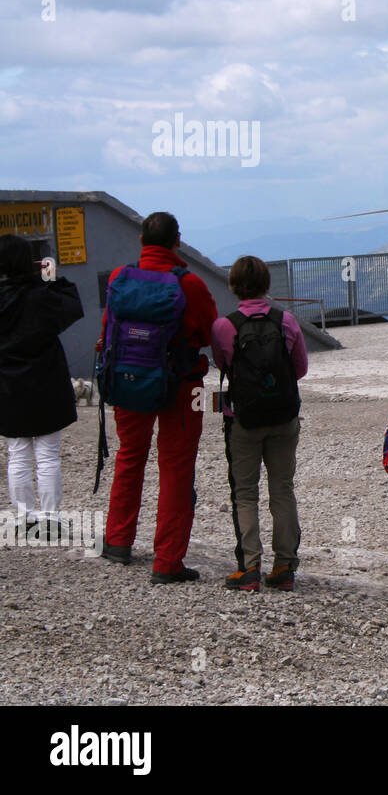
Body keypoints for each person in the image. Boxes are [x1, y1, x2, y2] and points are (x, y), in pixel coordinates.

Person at [99, 212, 217, 584]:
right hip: (181, 386)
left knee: (129, 457)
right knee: (176, 469)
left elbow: (108, 329)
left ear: (141, 242)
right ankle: (167, 562)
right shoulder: (191, 284)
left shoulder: (121, 278)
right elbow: (208, 332)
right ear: (177, 241)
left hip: (127, 380)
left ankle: (117, 543)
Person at [211, 256, 309, 592]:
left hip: (244, 419)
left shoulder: (225, 326)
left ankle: (249, 568)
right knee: (282, 490)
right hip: (284, 415)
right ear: (267, 284)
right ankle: (284, 567)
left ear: (234, 285)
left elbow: (223, 365)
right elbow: (300, 369)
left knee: (245, 493)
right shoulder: (287, 322)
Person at [0, 235, 83, 534]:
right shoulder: (40, 295)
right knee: (47, 453)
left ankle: (25, 517)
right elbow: (72, 307)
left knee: (17, 452)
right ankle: (50, 519)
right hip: (45, 380)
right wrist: (51, 280)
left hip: (7, 384)